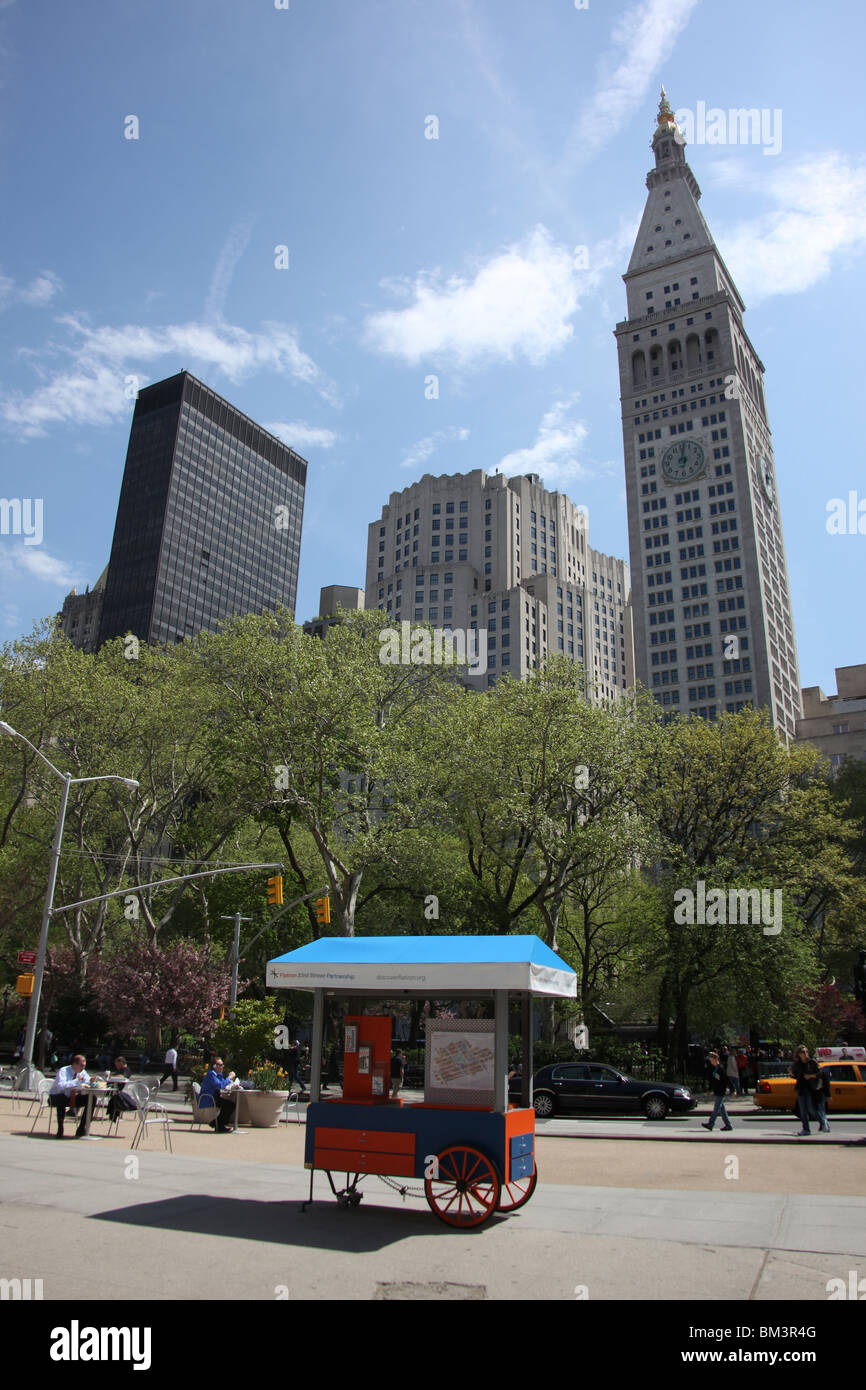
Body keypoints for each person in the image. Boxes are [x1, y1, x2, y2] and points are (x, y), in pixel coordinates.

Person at [49, 1054, 91, 1138]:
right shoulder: (64, 1071)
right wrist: (76, 1081)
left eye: (84, 1066)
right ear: (74, 1064)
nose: (83, 1068)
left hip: (72, 1097)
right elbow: (61, 1086)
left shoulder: (82, 1072)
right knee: (61, 1098)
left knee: (91, 1098)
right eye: (81, 1066)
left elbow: (88, 1081)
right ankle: (60, 1128)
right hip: (56, 1096)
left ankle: (82, 1128)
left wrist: (91, 1083)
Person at [199, 1058, 237, 1132]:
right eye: (220, 1065)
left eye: (223, 1064)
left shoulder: (218, 1075)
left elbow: (223, 1084)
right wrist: (229, 1078)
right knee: (229, 1105)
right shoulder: (211, 1074)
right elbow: (219, 1085)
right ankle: (218, 1125)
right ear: (214, 1066)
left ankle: (217, 1124)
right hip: (209, 1099)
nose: (222, 1066)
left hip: (215, 1098)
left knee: (230, 1105)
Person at [790, 1044, 820, 1136]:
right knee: (803, 1111)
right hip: (801, 1089)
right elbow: (795, 1076)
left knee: (811, 1109)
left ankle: (822, 1122)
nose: (805, 1053)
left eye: (806, 1051)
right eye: (803, 1052)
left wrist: (810, 1076)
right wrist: (791, 1073)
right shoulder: (797, 1064)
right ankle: (806, 1129)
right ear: (799, 1054)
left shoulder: (812, 1062)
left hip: (811, 1089)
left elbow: (820, 1074)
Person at [701, 1051, 733, 1131]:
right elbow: (713, 1081)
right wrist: (710, 1090)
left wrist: (733, 1089)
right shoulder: (714, 1069)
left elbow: (727, 1080)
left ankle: (710, 1124)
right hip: (717, 1090)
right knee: (722, 1109)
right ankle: (728, 1125)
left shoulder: (720, 1068)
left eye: (712, 1060)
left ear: (716, 1059)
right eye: (710, 1060)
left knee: (716, 1109)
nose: (711, 1062)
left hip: (721, 1091)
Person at [106, 1057, 137, 1124]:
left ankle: (113, 1115)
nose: (116, 1066)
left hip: (122, 1091)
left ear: (121, 1063)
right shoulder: (119, 1070)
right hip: (113, 1089)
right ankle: (113, 1115)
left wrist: (112, 1077)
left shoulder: (126, 1070)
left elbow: (123, 1077)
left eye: (117, 1064)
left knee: (116, 1097)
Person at [814, 1064, 831, 1134]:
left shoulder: (822, 1074)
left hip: (821, 1093)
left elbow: (826, 1085)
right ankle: (824, 1125)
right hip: (819, 1094)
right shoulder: (819, 1073)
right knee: (820, 1110)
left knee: (821, 1110)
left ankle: (825, 1125)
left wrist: (828, 1095)